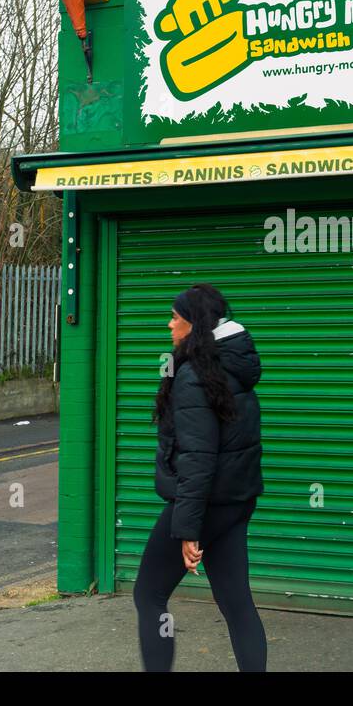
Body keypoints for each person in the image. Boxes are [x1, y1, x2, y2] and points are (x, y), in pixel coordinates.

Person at [132, 282, 267, 671]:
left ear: (194, 324)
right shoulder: (233, 369)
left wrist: (188, 529)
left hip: (202, 505)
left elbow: (198, 458)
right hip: (233, 503)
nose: (169, 325)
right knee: (237, 603)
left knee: (149, 595)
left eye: (175, 317)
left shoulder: (194, 376)